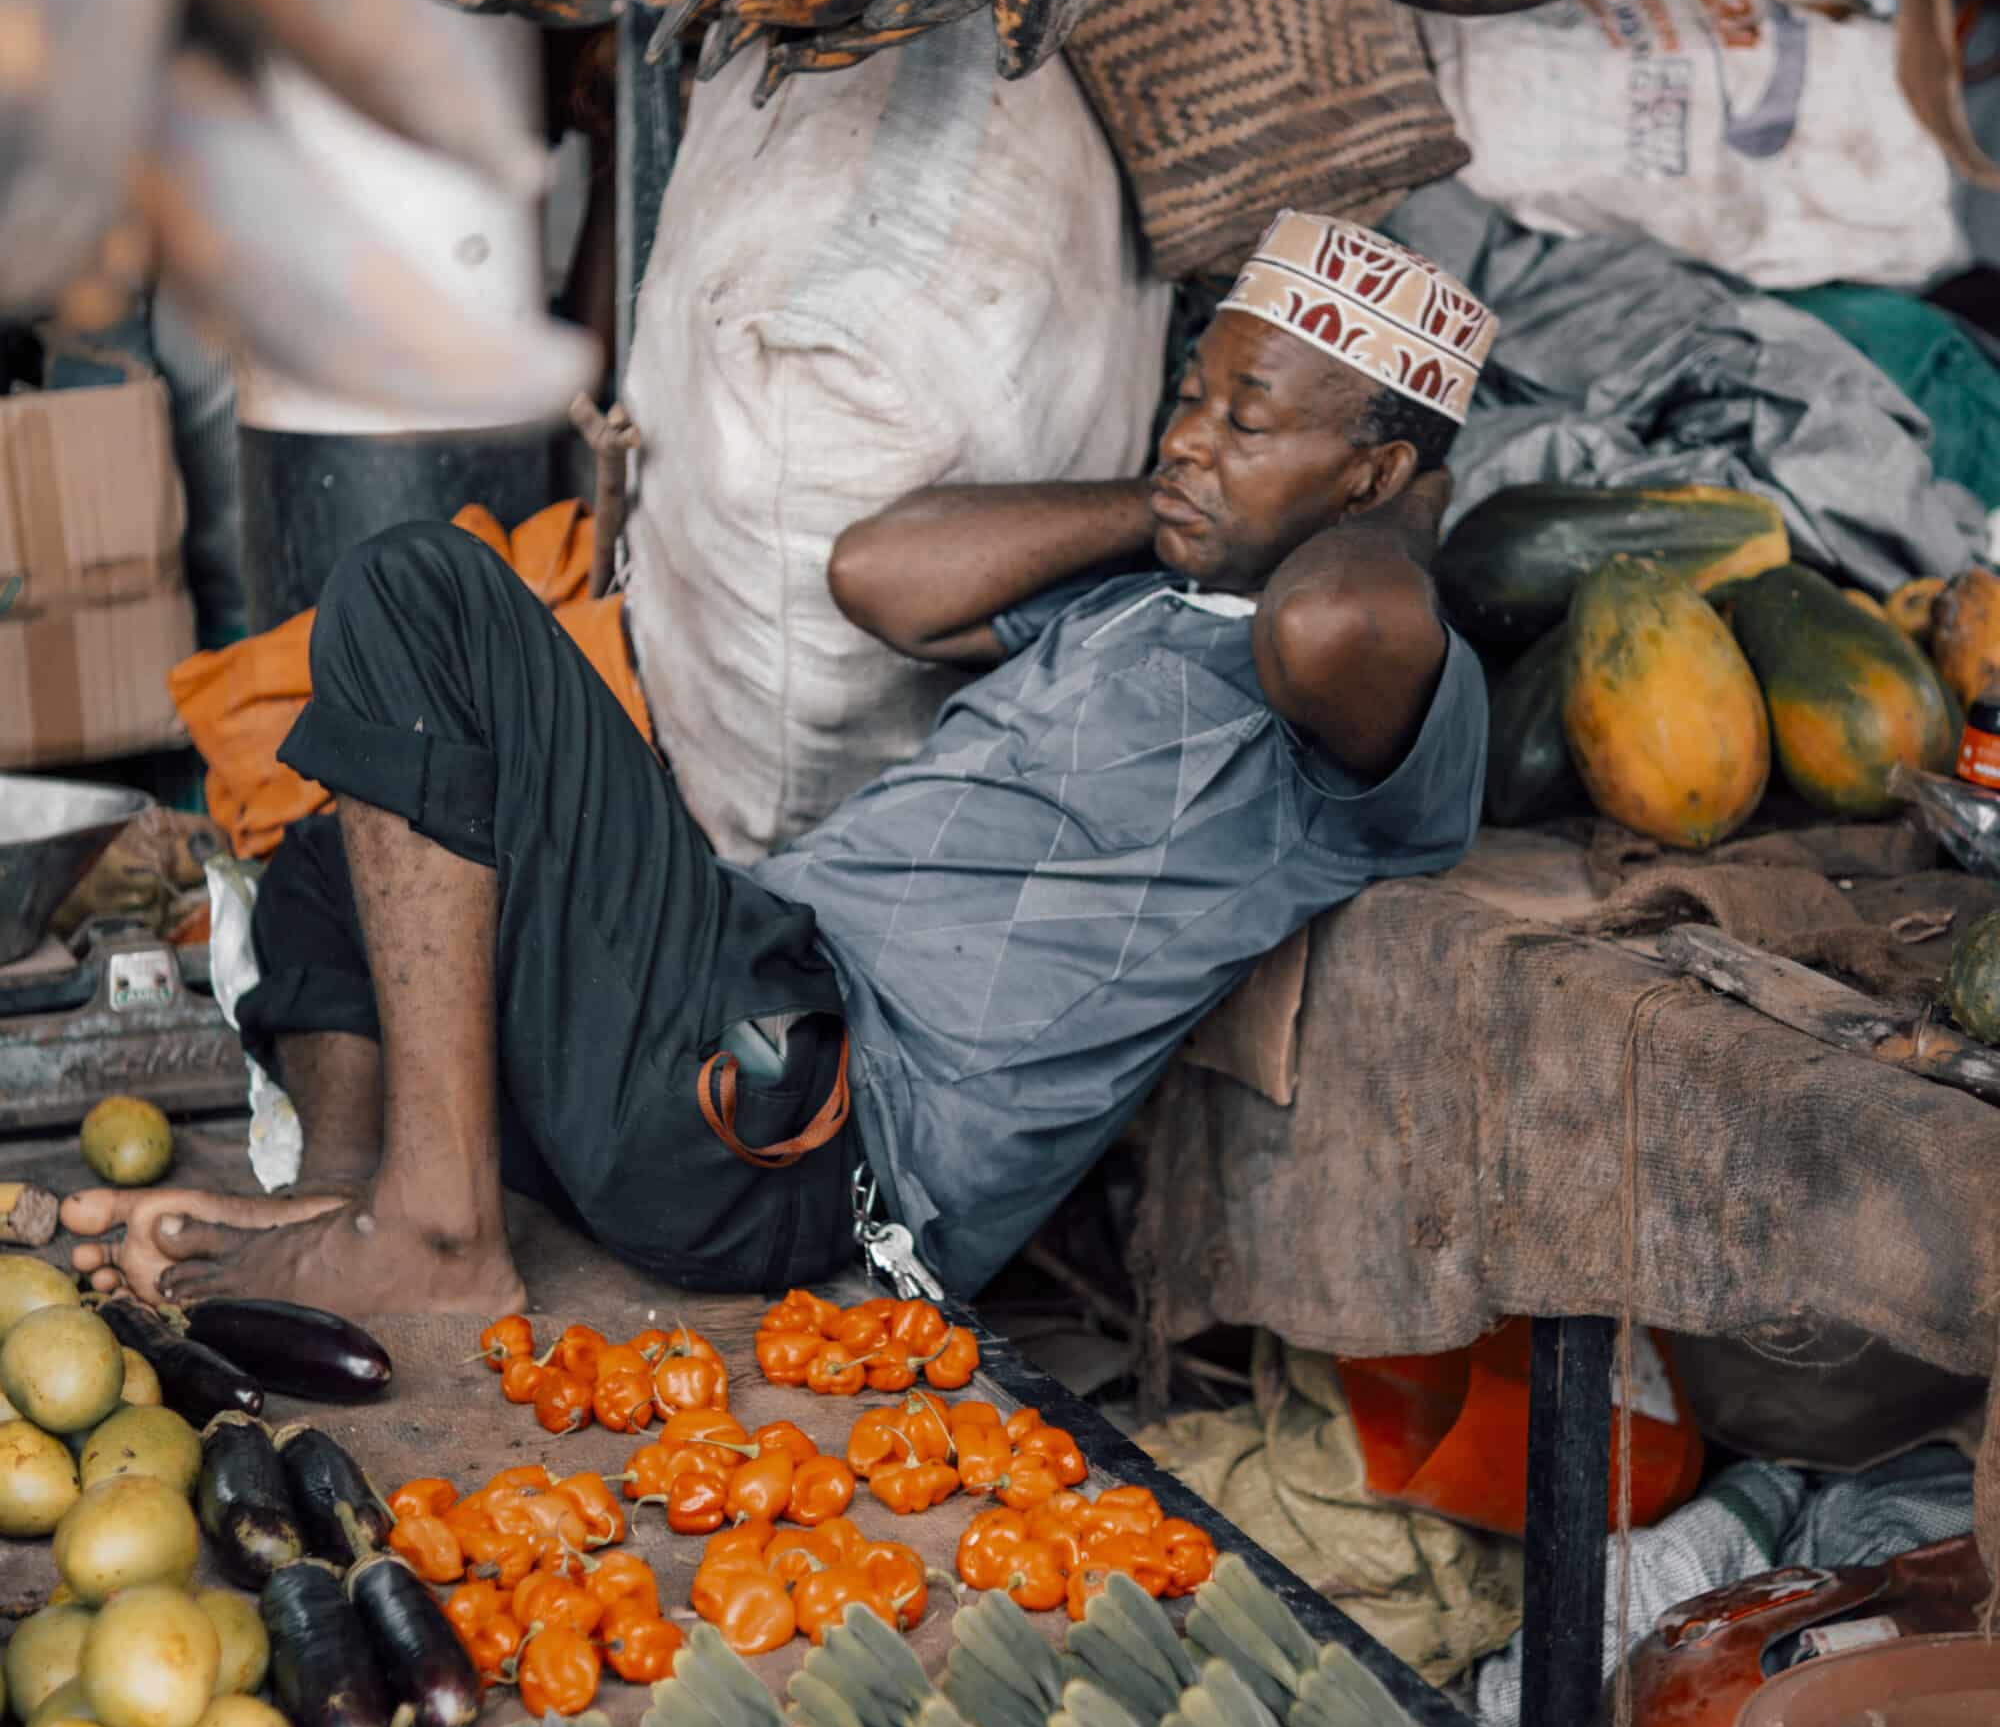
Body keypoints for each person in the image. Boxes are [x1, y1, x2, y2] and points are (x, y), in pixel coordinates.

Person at [63, 212, 1495, 1317]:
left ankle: (436, 1234)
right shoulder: (1138, 598)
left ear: (1370, 482)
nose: (1189, 434)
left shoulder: (1370, 710)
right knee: (348, 847)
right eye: (1190, 395)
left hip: (816, 1142)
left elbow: (1332, 615)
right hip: (739, 997)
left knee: (423, 596)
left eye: (1245, 422)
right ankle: (354, 1195)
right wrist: (1178, 489)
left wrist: (1405, 507)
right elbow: (882, 575)